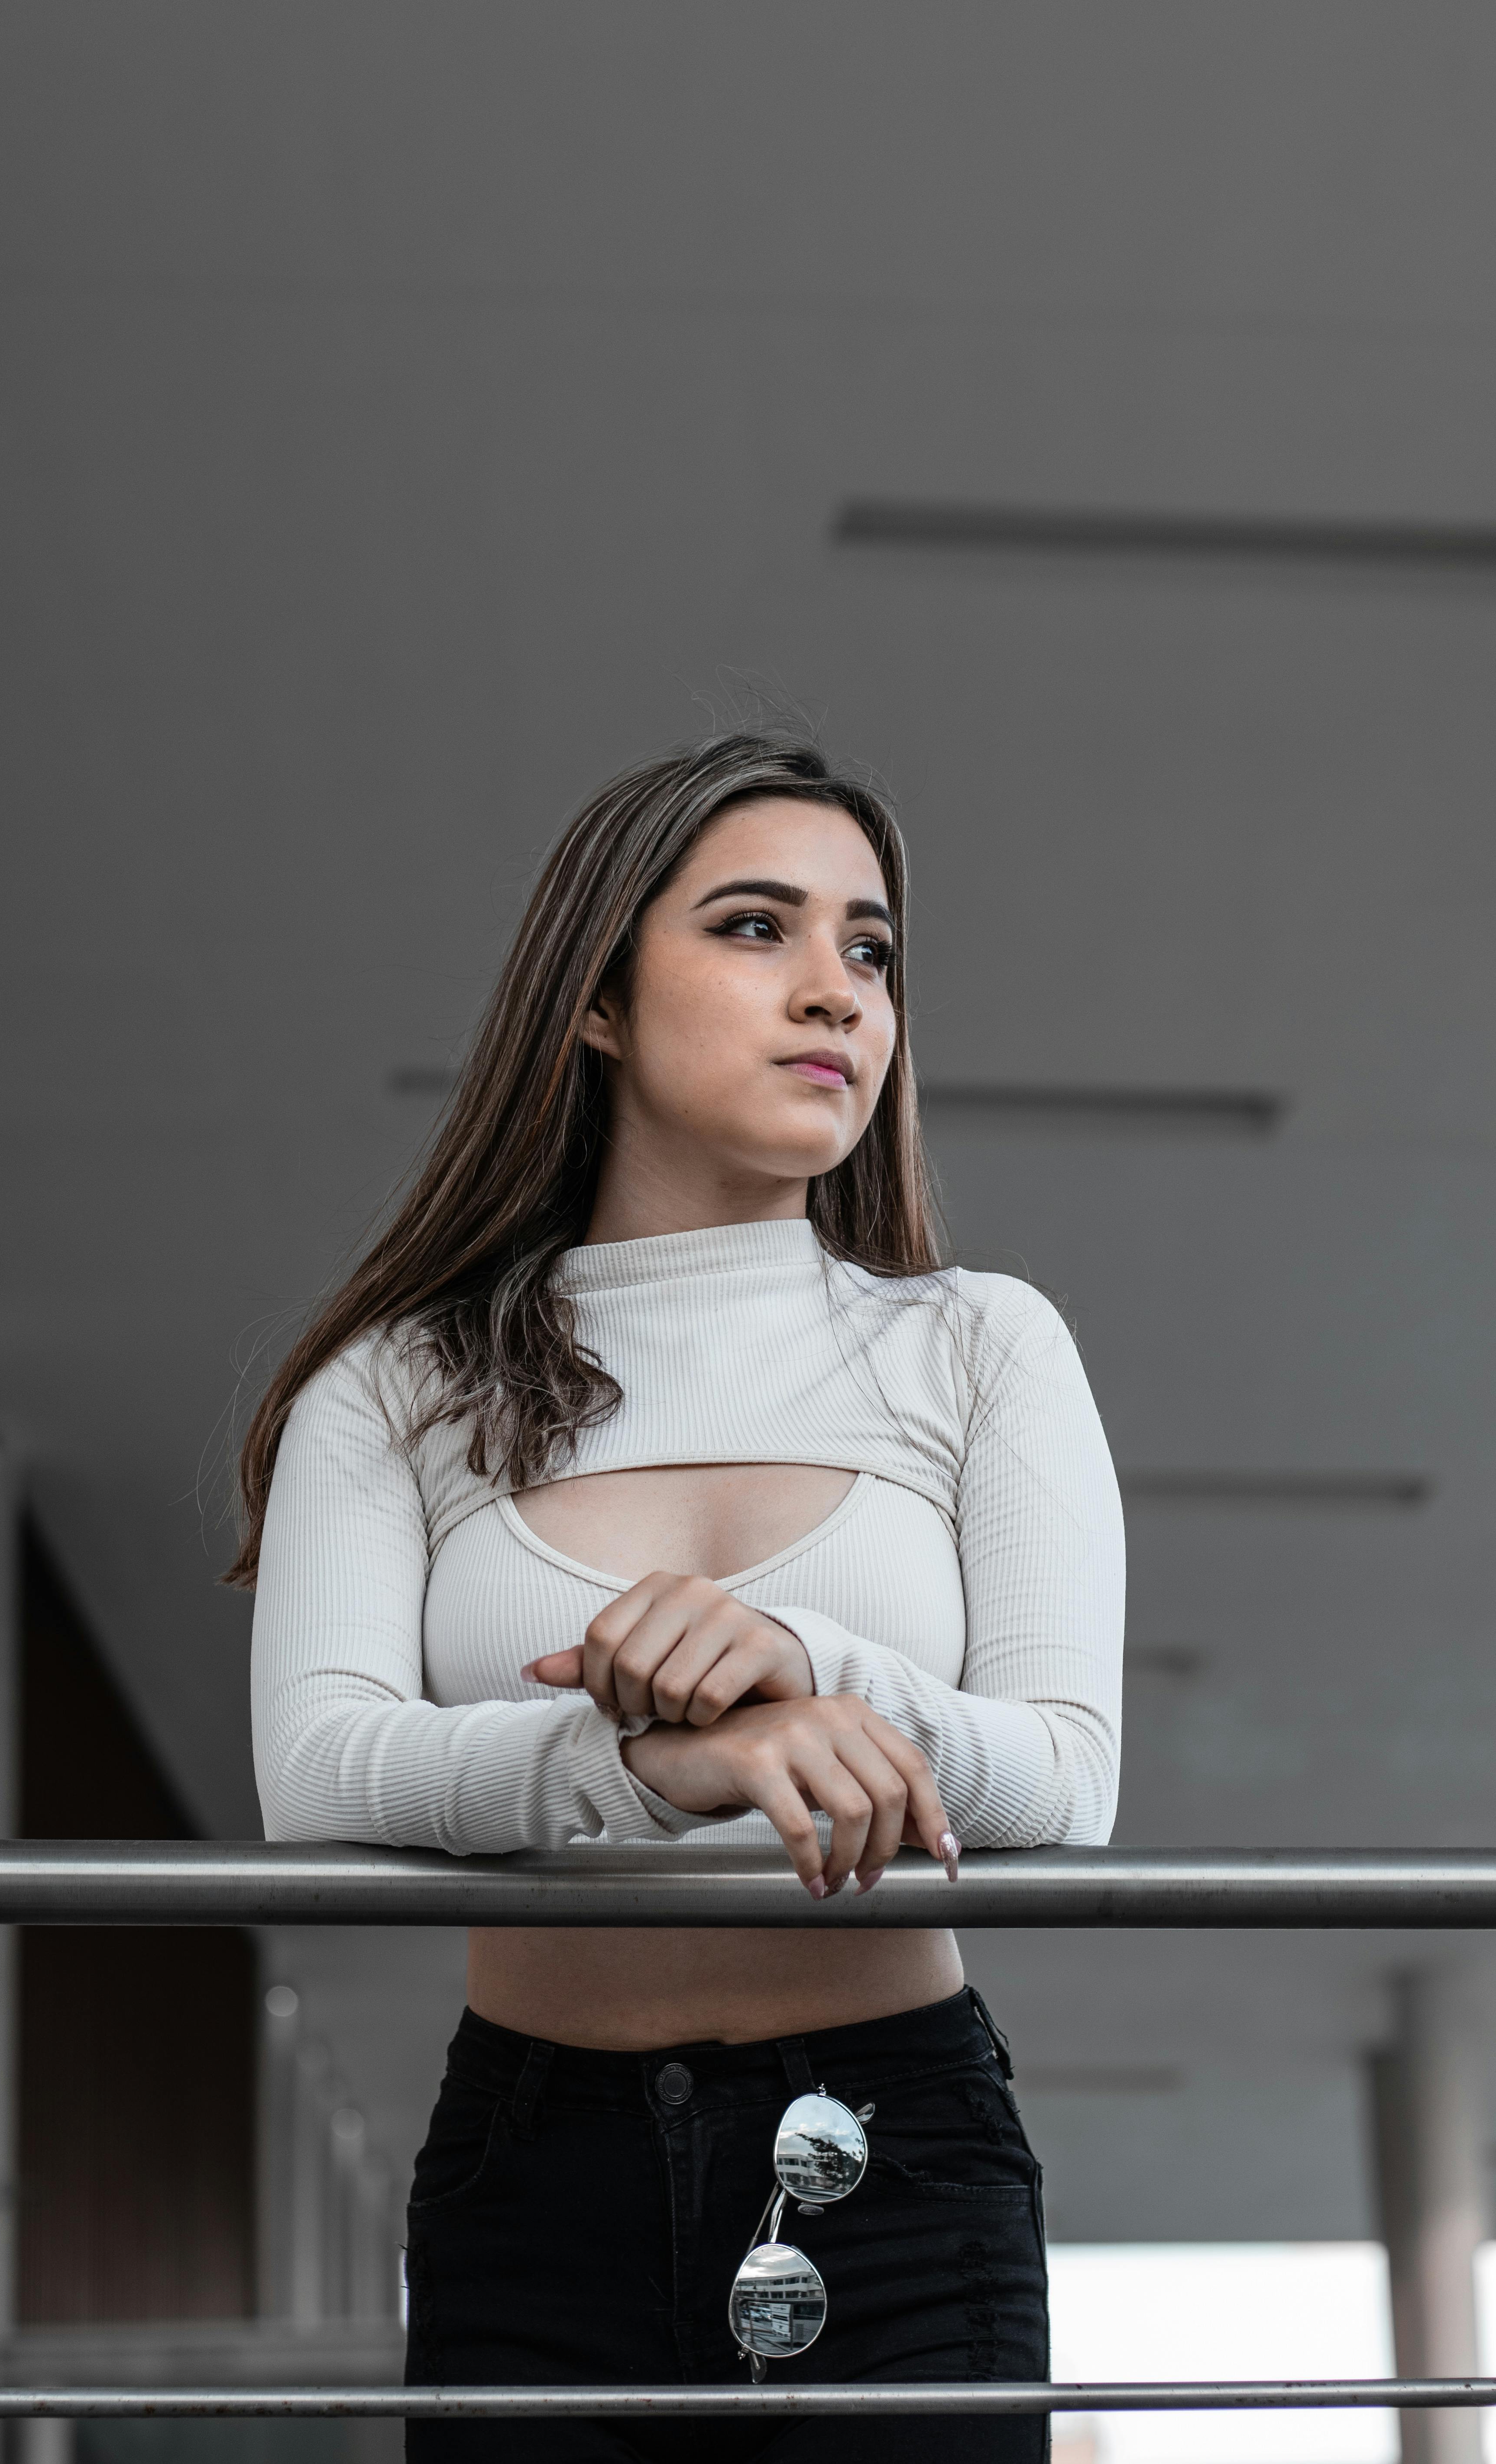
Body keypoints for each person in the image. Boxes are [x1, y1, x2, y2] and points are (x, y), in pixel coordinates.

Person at [234, 716, 1124, 2459]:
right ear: (595, 998)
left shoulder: (975, 1343)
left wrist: (816, 1662)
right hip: (531, 2162)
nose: (836, 989)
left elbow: (1067, 1781)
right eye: (754, 925)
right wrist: (646, 1767)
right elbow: (317, 1780)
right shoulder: (397, 1380)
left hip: (899, 2144)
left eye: (868, 946)